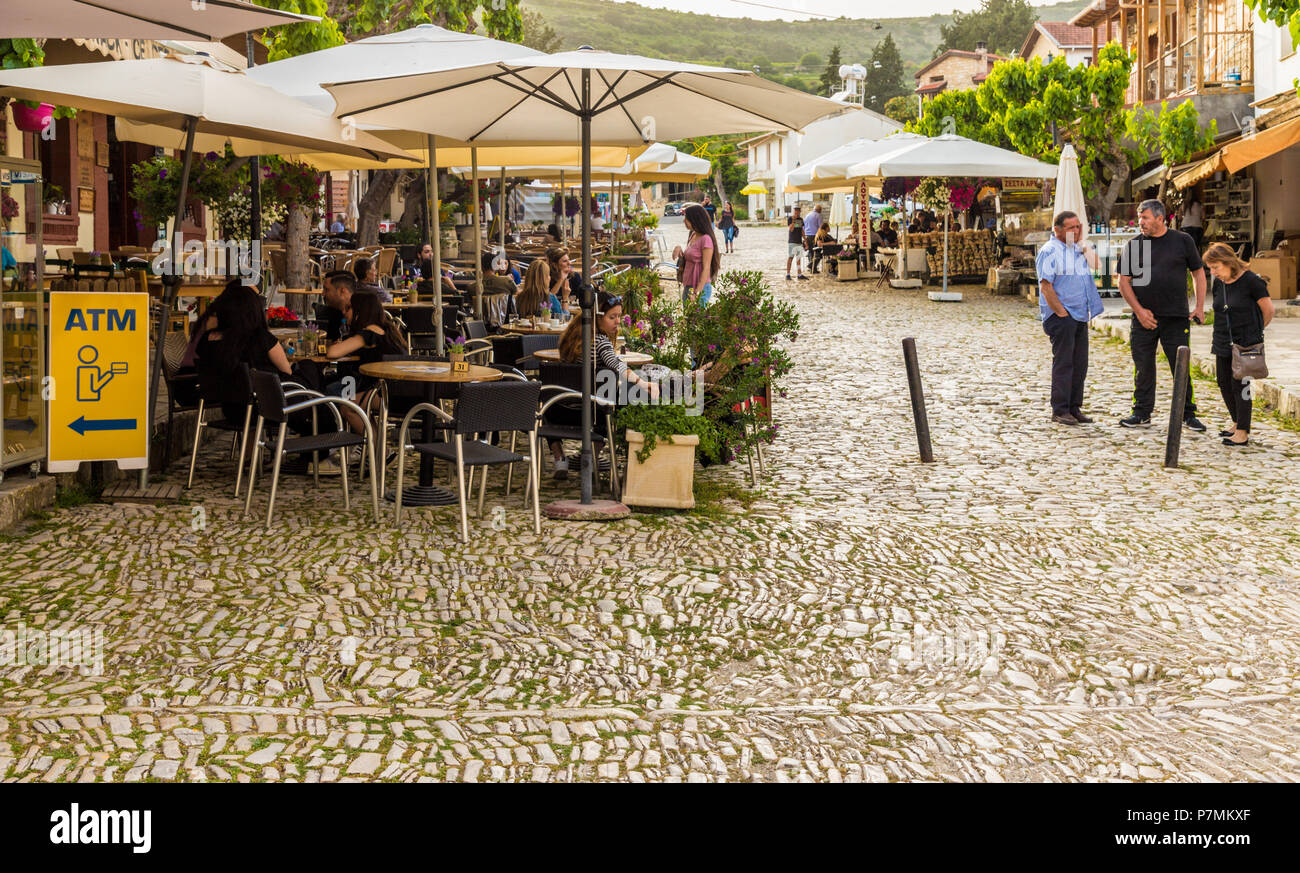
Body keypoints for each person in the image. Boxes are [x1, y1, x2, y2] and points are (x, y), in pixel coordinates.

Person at [547, 290, 662, 478]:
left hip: (558, 412)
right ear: (597, 316)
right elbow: (616, 364)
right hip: (592, 417)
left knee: (546, 400)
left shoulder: (570, 338)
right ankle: (594, 455)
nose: (618, 321)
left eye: (619, 316)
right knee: (618, 401)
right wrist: (641, 382)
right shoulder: (600, 342)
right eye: (612, 317)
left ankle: (560, 458)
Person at [1117, 199, 1207, 431]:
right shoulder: (1134, 245)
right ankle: (1141, 413)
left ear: (1160, 218)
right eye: (1139, 218)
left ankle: (1188, 414)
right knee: (1143, 367)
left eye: (1145, 218)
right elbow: (1123, 281)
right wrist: (1139, 311)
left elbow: (1198, 273)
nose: (1141, 223)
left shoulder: (1183, 241)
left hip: (1176, 317)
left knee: (1180, 366)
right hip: (1143, 318)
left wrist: (1199, 306)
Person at [1036, 211, 1104, 426]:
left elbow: (1097, 265)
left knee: (1079, 363)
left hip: (1080, 313)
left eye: (1078, 226)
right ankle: (1060, 409)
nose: (1075, 230)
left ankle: (1074, 407)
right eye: (1071, 228)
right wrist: (1060, 312)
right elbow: (1046, 286)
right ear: (1057, 230)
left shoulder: (1077, 248)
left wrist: (1083, 243)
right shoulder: (1049, 251)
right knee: (1064, 363)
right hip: (1062, 315)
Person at [1203, 243, 1274, 447]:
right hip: (1223, 339)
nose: (1213, 272)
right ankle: (1236, 422)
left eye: (1215, 267)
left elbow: (1268, 310)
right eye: (1210, 268)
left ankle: (1243, 431)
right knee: (1224, 382)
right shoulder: (1220, 283)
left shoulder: (1252, 281)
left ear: (1228, 262)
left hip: (1245, 342)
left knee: (1241, 386)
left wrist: (1255, 332)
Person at [325, 291, 407, 438]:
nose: (344, 312)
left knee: (347, 406)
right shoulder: (386, 329)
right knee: (347, 394)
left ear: (359, 311)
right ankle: (375, 449)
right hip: (403, 389)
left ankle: (374, 449)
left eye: (348, 308)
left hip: (390, 393)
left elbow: (332, 353)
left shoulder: (369, 333)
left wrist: (342, 345)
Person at [672, 203, 720, 307]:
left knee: (697, 321)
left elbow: (706, 268)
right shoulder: (693, 235)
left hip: (699, 288)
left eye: (687, 218)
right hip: (688, 286)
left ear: (695, 220)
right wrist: (679, 248)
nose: (684, 221)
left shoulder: (706, 239)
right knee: (688, 320)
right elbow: (690, 255)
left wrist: (696, 293)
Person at [319, 270, 356, 341]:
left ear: (342, 291)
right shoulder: (332, 312)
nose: (323, 294)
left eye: (327, 289)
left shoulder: (361, 313)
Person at [786, 206, 807, 280]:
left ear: (800, 211)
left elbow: (801, 230)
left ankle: (799, 274)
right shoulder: (790, 219)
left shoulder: (801, 219)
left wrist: (805, 241)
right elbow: (791, 229)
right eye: (795, 211)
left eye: (798, 211)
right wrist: (793, 221)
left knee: (798, 259)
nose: (797, 212)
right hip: (792, 241)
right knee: (790, 257)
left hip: (799, 241)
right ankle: (788, 274)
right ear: (794, 211)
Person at [803, 204, 823, 269]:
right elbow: (821, 227)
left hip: (807, 235)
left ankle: (812, 267)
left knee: (811, 251)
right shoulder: (818, 215)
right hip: (815, 236)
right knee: (817, 252)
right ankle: (812, 266)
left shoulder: (807, 215)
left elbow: (803, 227)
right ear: (819, 210)